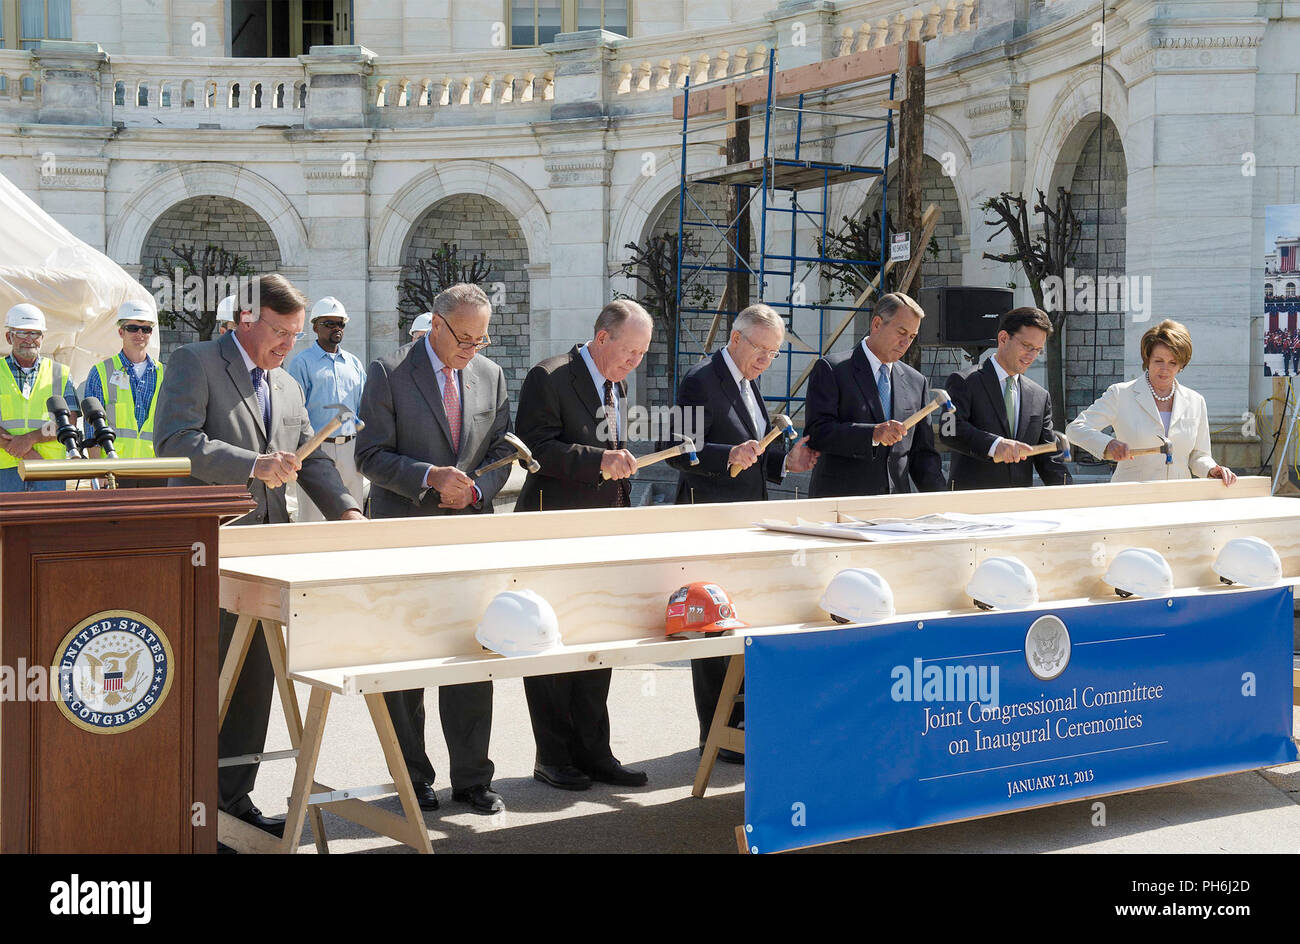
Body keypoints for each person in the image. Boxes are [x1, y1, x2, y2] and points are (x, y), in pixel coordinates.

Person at [154, 273, 364, 841]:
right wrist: (252, 464)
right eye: (280, 332)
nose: (288, 344)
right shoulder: (193, 363)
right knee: (206, 679)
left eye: (296, 335)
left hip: (270, 554)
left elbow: (308, 460)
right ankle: (189, 810)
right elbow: (175, 443)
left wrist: (345, 510)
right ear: (246, 319)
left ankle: (233, 800)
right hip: (210, 550)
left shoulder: (288, 385)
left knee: (254, 680)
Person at [355, 283, 515, 815]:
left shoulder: (490, 376)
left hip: (468, 534)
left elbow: (501, 450)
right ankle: (413, 776)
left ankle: (472, 778)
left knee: (474, 654)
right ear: (436, 325)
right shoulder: (388, 373)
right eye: (465, 338)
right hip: (404, 534)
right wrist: (429, 477)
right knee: (408, 662)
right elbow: (370, 455)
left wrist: (476, 490)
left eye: (481, 339)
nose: (473, 348)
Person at [665, 303, 819, 762]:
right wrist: (725, 454)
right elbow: (675, 449)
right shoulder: (700, 380)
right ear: (736, 339)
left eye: (774, 354)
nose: (766, 362)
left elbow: (752, 452)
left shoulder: (749, 383)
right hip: (708, 521)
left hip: (744, 522)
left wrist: (783, 461)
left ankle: (740, 726)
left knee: (740, 622)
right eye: (762, 351)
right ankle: (714, 732)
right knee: (710, 625)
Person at [513, 299, 651, 791]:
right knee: (549, 645)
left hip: (604, 531)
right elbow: (536, 449)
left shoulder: (618, 380)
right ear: (602, 338)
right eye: (630, 351)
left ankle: (596, 752)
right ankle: (553, 756)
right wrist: (599, 461)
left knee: (597, 644)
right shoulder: (548, 377)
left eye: (642, 353)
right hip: (554, 530)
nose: (635, 361)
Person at [806, 292, 946, 496]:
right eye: (901, 332)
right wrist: (872, 434)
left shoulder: (917, 381)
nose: (906, 342)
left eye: (912, 336)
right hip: (841, 504)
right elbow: (818, 433)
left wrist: (943, 502)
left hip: (894, 508)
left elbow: (922, 455)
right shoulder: (832, 369)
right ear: (877, 324)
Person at [1066, 318, 1237, 486]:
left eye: (1173, 362)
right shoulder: (1121, 394)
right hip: (1132, 498)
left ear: (1182, 365)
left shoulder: (1195, 401)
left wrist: (1212, 469)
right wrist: (1107, 444)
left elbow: (1198, 455)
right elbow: (1075, 429)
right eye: (1158, 361)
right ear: (1147, 359)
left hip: (1178, 500)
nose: (1165, 369)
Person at [941, 306, 1071, 490]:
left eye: (1038, 350)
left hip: (1016, 506)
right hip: (970, 503)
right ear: (1003, 338)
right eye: (1027, 346)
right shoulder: (964, 381)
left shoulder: (1040, 396)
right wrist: (995, 445)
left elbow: (1048, 457)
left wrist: (1069, 493)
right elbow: (950, 431)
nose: (1032, 356)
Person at [286, 296, 366, 521]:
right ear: (315, 327)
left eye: (340, 323)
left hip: (351, 448)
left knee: (353, 511)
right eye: (329, 323)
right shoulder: (302, 363)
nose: (336, 328)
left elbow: (363, 405)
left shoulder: (354, 363)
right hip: (317, 450)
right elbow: (295, 409)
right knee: (313, 515)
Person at [81, 300, 164, 481]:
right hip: (113, 470)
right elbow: (90, 427)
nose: (140, 334)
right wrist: (98, 474)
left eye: (146, 329)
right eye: (133, 328)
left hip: (154, 471)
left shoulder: (164, 374)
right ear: (121, 331)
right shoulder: (101, 372)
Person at [0, 303, 78, 492]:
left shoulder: (60, 374)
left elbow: (70, 421)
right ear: (9, 337)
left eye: (35, 333)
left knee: (47, 521)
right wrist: (25, 451)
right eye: (22, 333)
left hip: (49, 470)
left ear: (43, 337)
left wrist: (30, 439)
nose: (29, 339)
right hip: (4, 470)